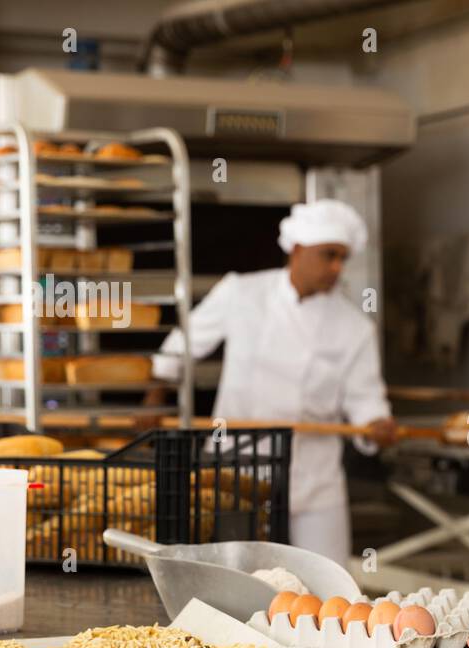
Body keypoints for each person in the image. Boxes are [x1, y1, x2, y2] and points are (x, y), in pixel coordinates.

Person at [152, 199, 396, 564]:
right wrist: (152, 401)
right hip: (236, 468)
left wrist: (376, 426)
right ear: (297, 250)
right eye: (328, 255)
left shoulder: (354, 327)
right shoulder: (241, 293)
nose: (336, 268)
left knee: (327, 589)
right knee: (231, 580)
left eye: (343, 258)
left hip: (312, 480)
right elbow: (178, 351)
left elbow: (366, 402)